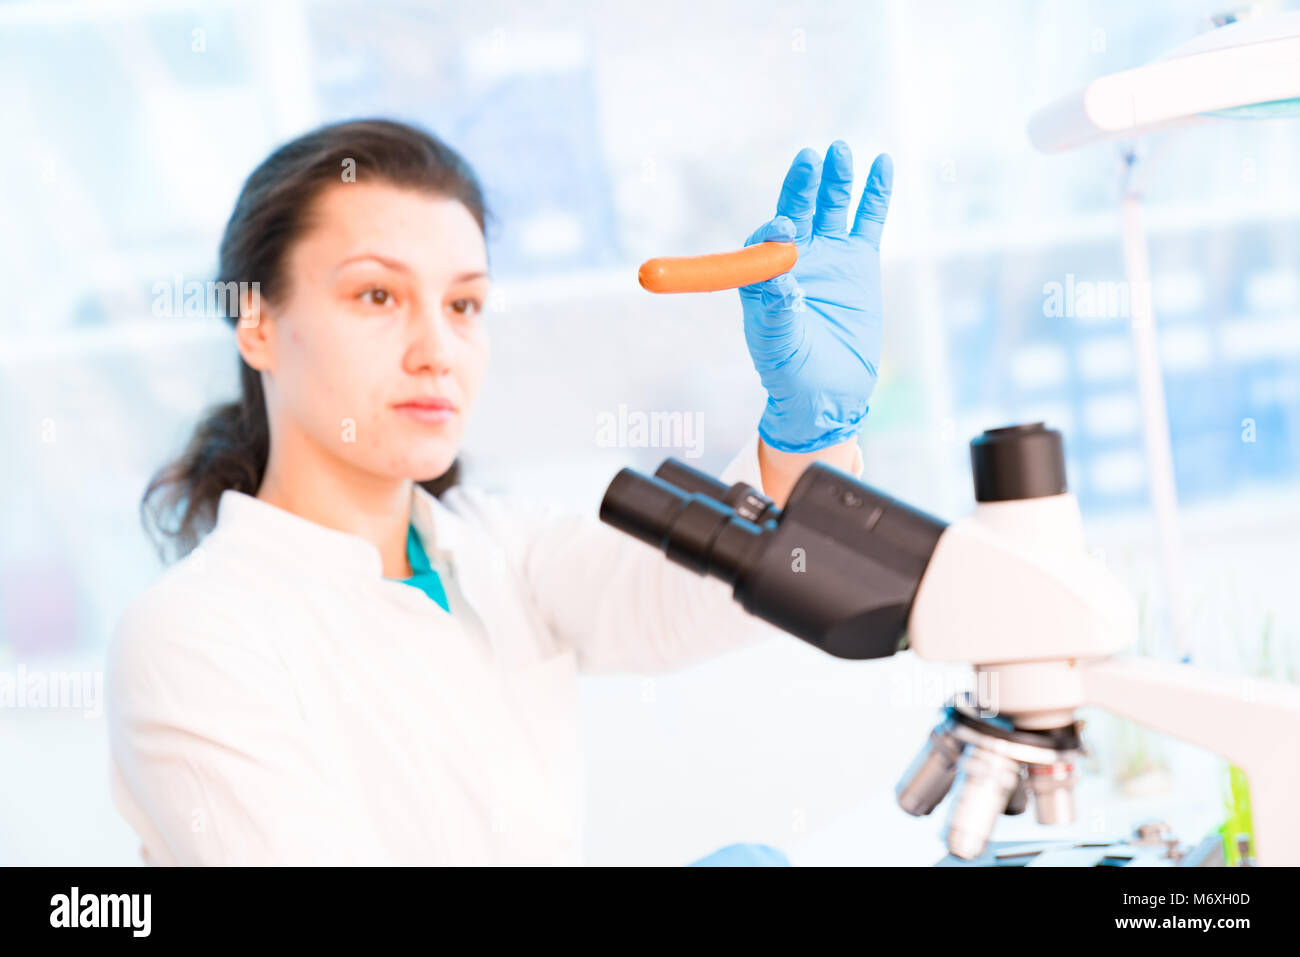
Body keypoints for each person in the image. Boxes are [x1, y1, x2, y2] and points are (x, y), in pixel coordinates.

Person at [107, 118, 892, 865]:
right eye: (377, 296)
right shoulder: (193, 637)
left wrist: (806, 437)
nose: (436, 350)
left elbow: (702, 589)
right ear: (257, 324)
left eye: (463, 305)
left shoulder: (499, 548)